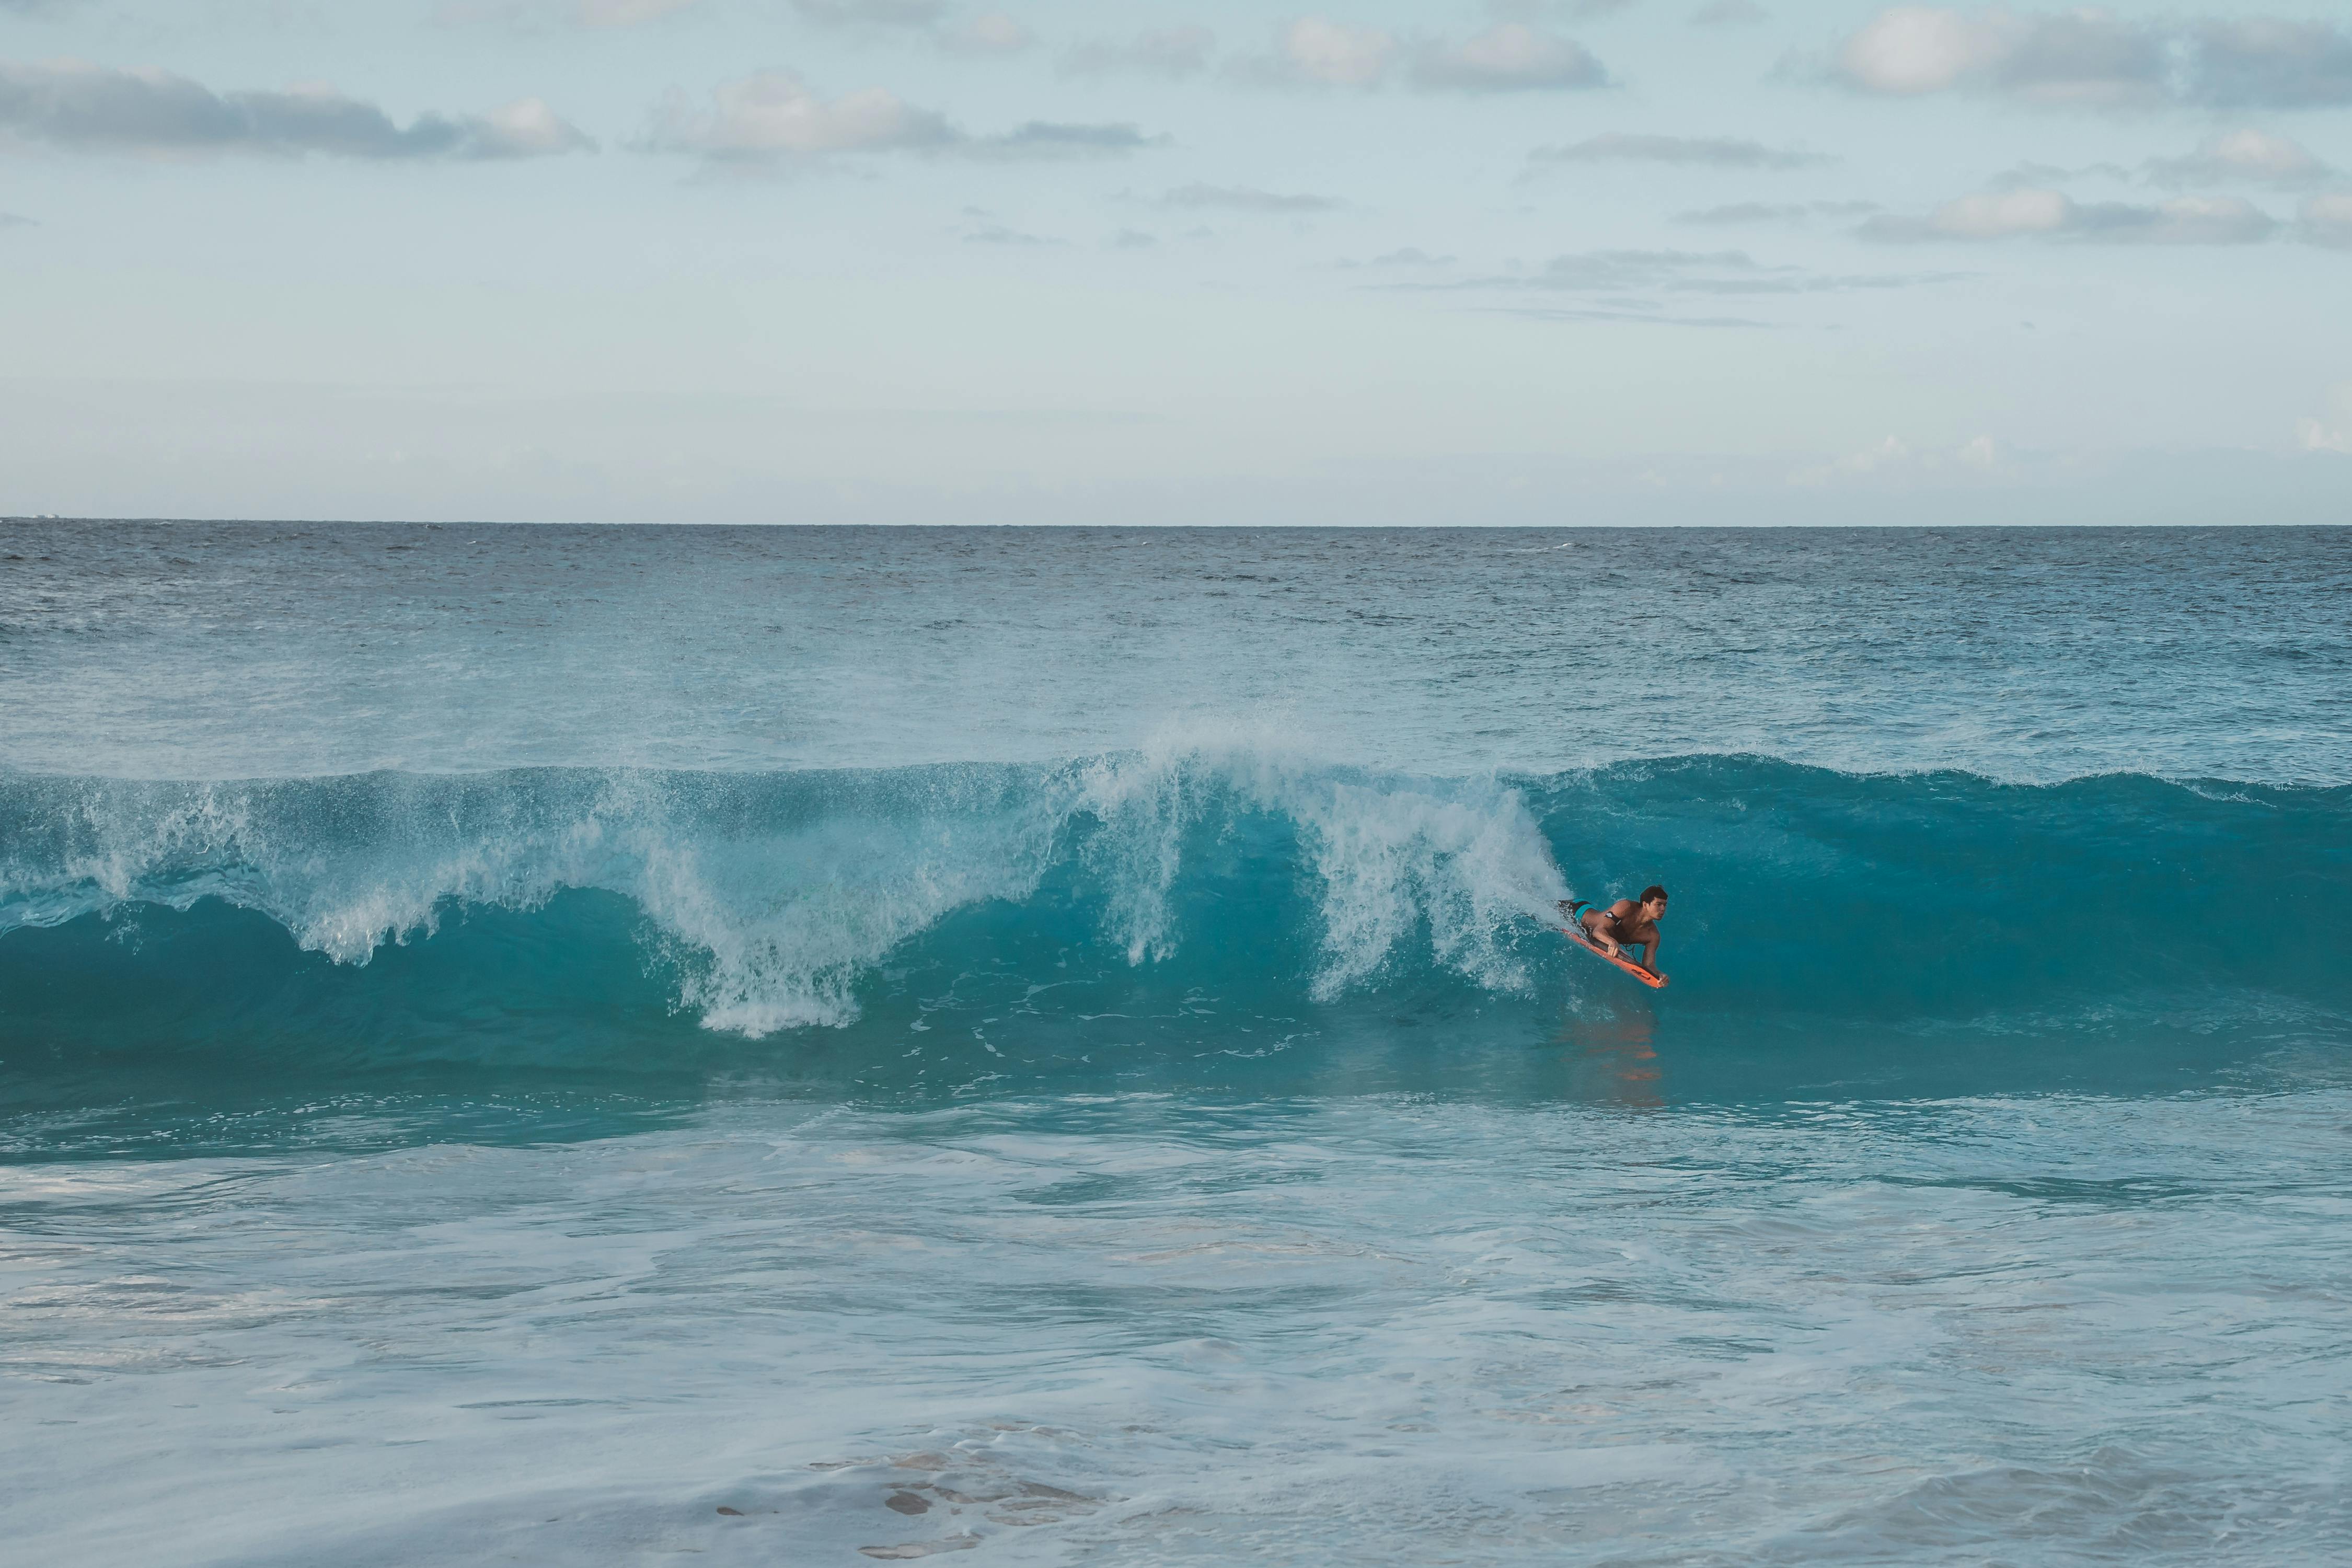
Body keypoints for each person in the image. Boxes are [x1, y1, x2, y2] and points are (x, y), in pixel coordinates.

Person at [1559, 885, 1668, 981]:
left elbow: (1648, 966)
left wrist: (1659, 975)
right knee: (1542, 909)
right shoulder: (1626, 907)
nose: (1663, 909)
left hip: (1586, 925)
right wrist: (1612, 942)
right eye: (1658, 904)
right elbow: (1598, 931)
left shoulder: (1653, 936)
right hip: (1576, 911)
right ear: (1645, 905)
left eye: (1665, 905)